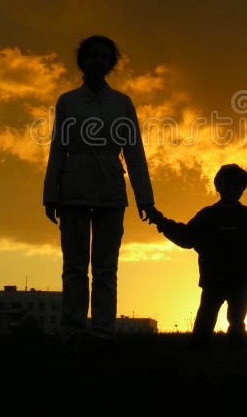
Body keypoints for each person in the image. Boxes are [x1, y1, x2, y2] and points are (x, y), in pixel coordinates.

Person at [43, 35, 160, 343]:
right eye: (93, 55)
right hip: (73, 188)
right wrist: (50, 194)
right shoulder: (67, 101)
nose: (98, 61)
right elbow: (57, 148)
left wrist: (145, 199)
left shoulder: (122, 103)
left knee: (106, 267)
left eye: (104, 56)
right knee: (74, 265)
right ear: (82, 60)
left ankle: (103, 331)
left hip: (110, 188)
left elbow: (134, 151)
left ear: (111, 63)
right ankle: (73, 329)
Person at [149, 164, 247, 349]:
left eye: (238, 186)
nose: (233, 189)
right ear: (218, 186)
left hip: (239, 280)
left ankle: (236, 353)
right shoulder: (208, 215)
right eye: (229, 184)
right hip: (214, 280)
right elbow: (187, 237)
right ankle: (200, 352)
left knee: (236, 320)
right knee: (206, 318)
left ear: (242, 190)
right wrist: (162, 222)